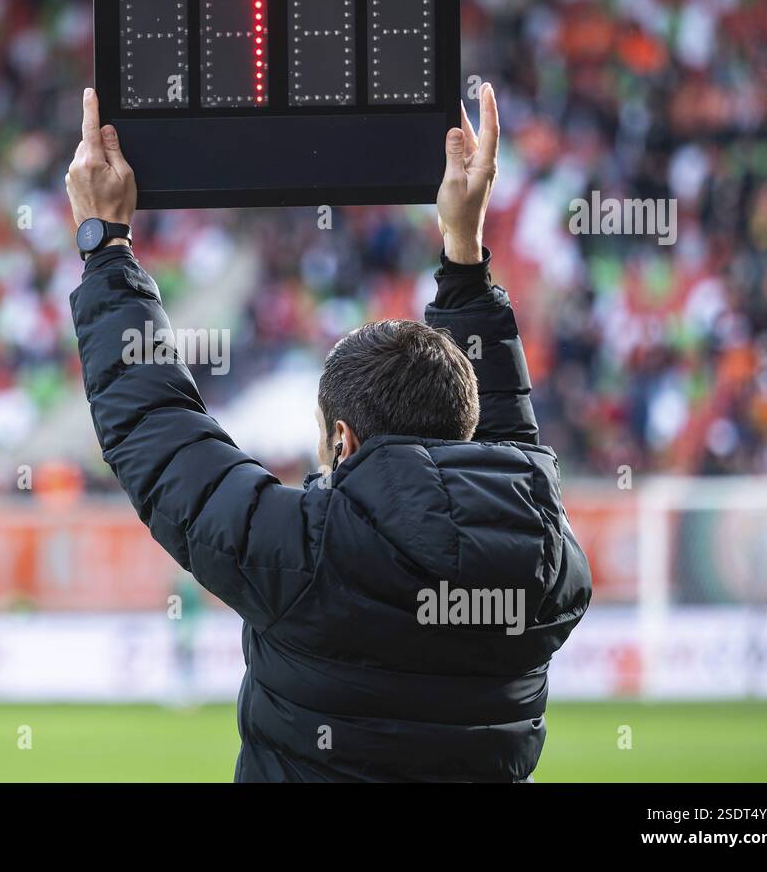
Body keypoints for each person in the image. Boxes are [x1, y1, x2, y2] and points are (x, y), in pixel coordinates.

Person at [65, 84, 591, 782]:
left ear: (342, 439)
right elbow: (510, 453)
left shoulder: (308, 554)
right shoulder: (545, 560)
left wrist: (107, 248)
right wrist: (464, 258)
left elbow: (157, 434)